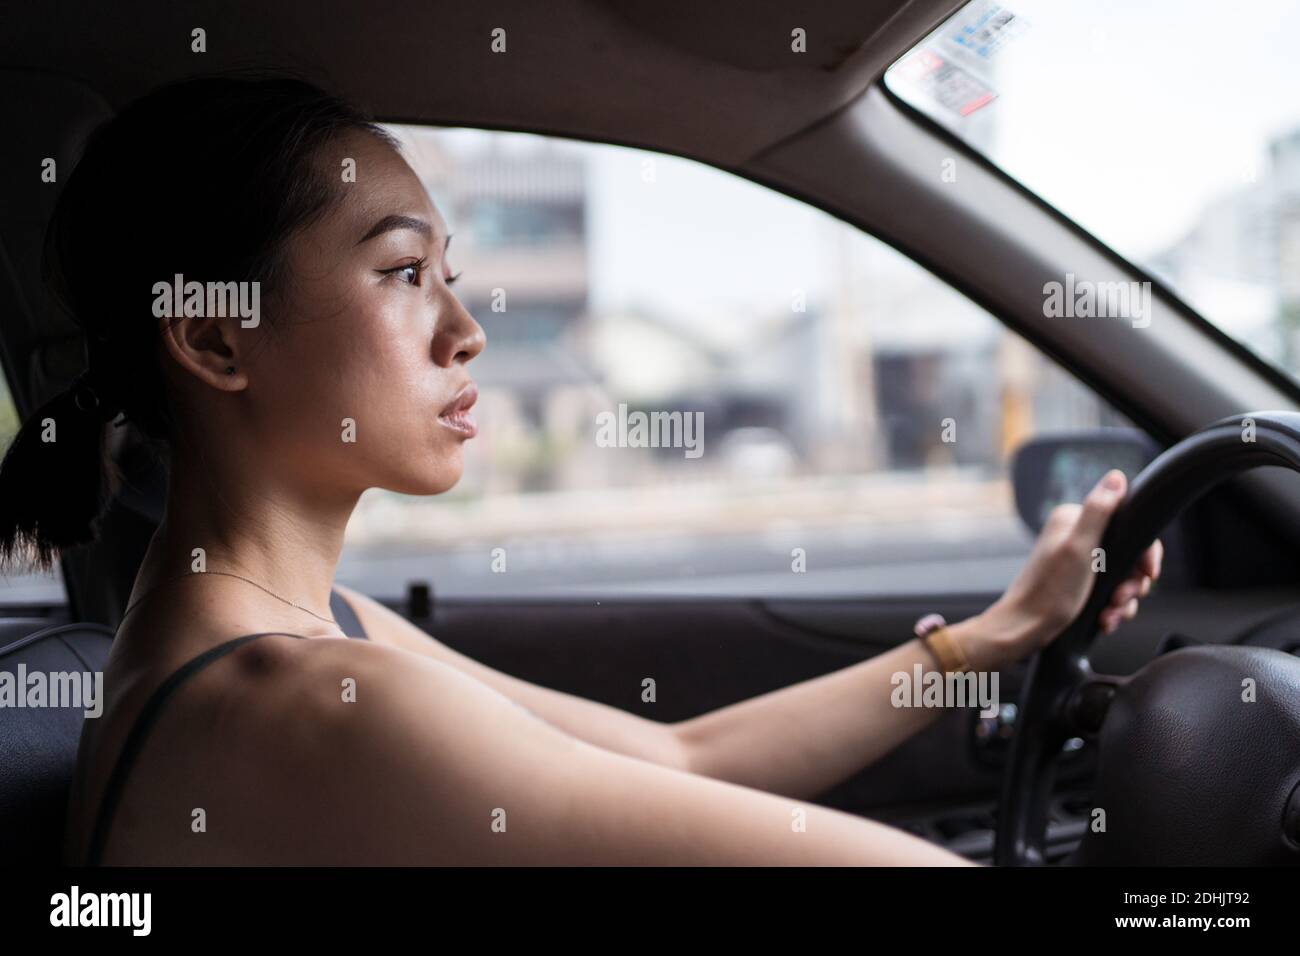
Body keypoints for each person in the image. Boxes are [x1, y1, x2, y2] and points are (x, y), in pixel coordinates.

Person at [0, 72, 1161, 865]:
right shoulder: (298, 703)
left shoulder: (289, 637)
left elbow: (680, 754)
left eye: (446, 270)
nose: (467, 329)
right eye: (403, 273)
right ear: (212, 336)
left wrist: (996, 633)